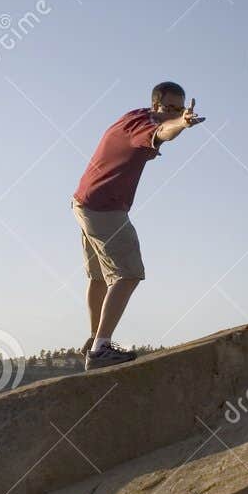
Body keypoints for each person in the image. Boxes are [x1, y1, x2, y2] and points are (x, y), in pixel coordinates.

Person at [72, 82, 204, 369]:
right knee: (129, 274)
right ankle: (100, 349)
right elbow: (162, 132)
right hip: (104, 207)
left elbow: (159, 131)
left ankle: (94, 339)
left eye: (179, 108)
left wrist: (177, 119)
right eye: (169, 108)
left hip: (84, 201)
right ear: (155, 106)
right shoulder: (143, 128)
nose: (174, 112)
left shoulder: (134, 115)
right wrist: (181, 123)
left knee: (98, 277)